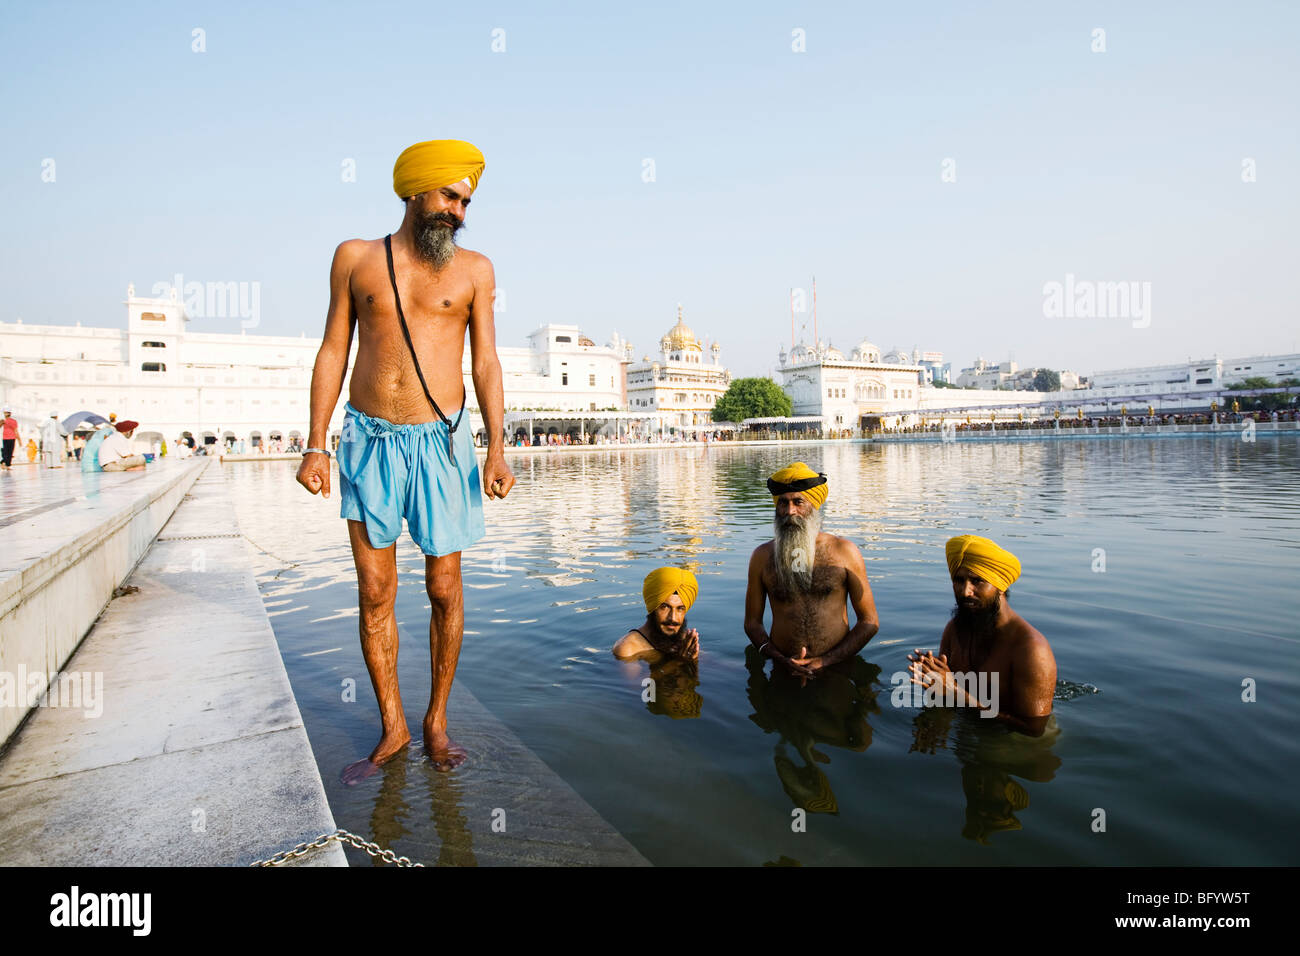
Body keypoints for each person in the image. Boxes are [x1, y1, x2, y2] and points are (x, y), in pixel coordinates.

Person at [297, 138, 515, 781]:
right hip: (368, 441)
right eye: (450, 196)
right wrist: (315, 442)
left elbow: (485, 361)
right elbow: (334, 348)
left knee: (444, 588)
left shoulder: (475, 269)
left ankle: (436, 721)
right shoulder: (355, 258)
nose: (460, 211)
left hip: (441, 443)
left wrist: (498, 447)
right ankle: (392, 727)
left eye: (467, 201)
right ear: (414, 191)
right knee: (374, 593)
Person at [908, 535, 1057, 737]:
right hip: (967, 737)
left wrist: (959, 695)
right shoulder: (955, 629)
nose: (965, 591)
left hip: (1014, 748)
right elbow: (945, 694)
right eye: (958, 580)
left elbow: (1034, 729)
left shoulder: (1031, 649)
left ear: (1000, 586)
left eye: (977, 581)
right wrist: (931, 680)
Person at [744, 462, 879, 679]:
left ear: (814, 505)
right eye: (783, 503)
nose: (790, 511)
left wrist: (826, 661)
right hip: (782, 669)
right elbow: (752, 624)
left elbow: (870, 622)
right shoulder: (762, 557)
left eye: (798, 502)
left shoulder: (844, 551)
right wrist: (777, 658)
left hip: (837, 667)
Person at [613, 568, 700, 660]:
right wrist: (682, 662)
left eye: (680, 609)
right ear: (652, 607)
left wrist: (693, 659)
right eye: (665, 607)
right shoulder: (627, 649)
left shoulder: (683, 640)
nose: (673, 618)